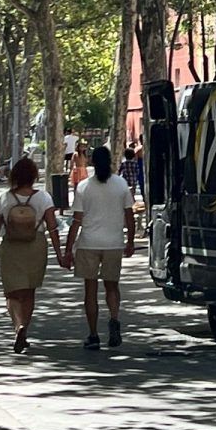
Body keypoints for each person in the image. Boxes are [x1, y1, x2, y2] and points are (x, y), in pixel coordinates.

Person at [0, 157, 64, 354]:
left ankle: (18, 326)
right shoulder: (44, 198)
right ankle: (25, 329)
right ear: (33, 176)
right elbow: (52, 227)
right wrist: (59, 253)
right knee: (29, 291)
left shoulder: (5, 198)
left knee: (11, 292)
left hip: (11, 247)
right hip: (36, 246)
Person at [63, 145, 136, 349]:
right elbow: (129, 216)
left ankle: (93, 334)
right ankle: (114, 319)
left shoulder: (84, 187)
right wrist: (130, 241)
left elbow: (76, 221)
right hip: (113, 243)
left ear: (92, 162)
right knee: (112, 286)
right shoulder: (121, 184)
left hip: (88, 243)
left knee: (90, 290)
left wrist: (68, 249)